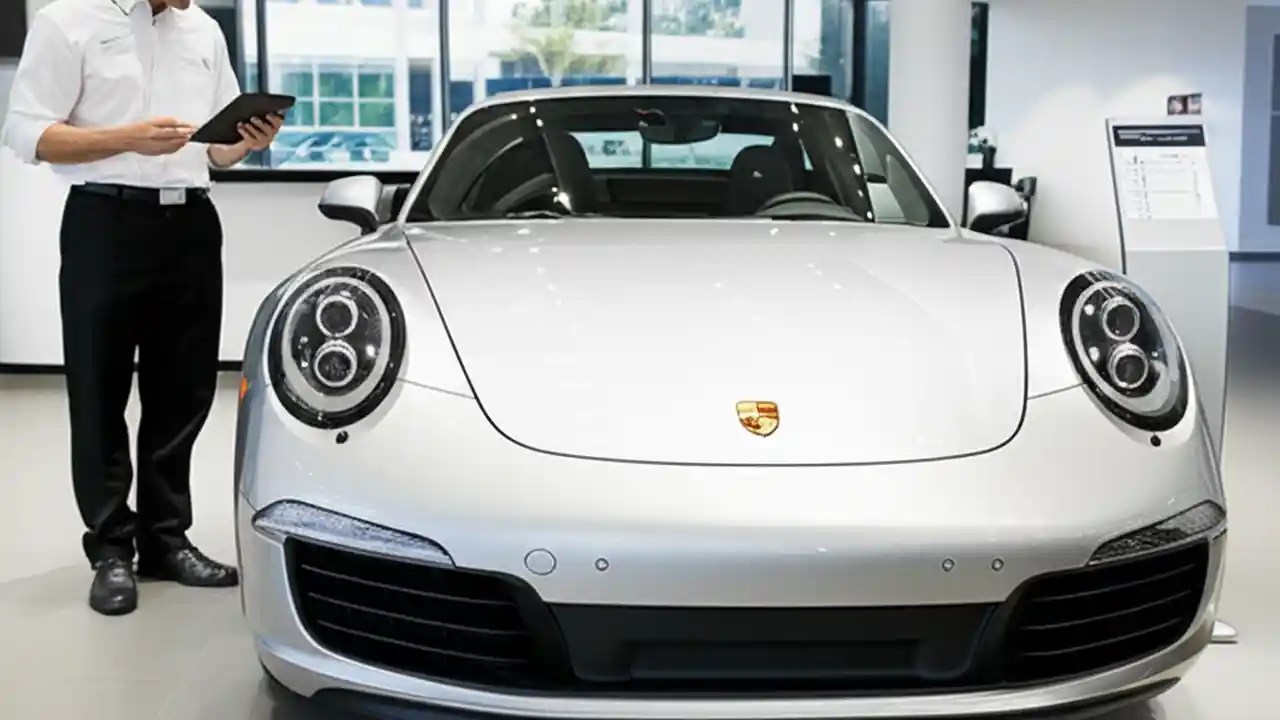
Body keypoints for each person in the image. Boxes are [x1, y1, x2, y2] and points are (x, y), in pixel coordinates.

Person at [2, 0, 283, 616]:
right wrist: (127, 137)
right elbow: (26, 133)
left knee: (182, 391)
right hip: (104, 221)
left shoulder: (203, 30)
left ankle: (165, 540)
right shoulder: (66, 21)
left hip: (190, 224)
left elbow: (214, 148)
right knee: (98, 388)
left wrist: (240, 146)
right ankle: (110, 549)